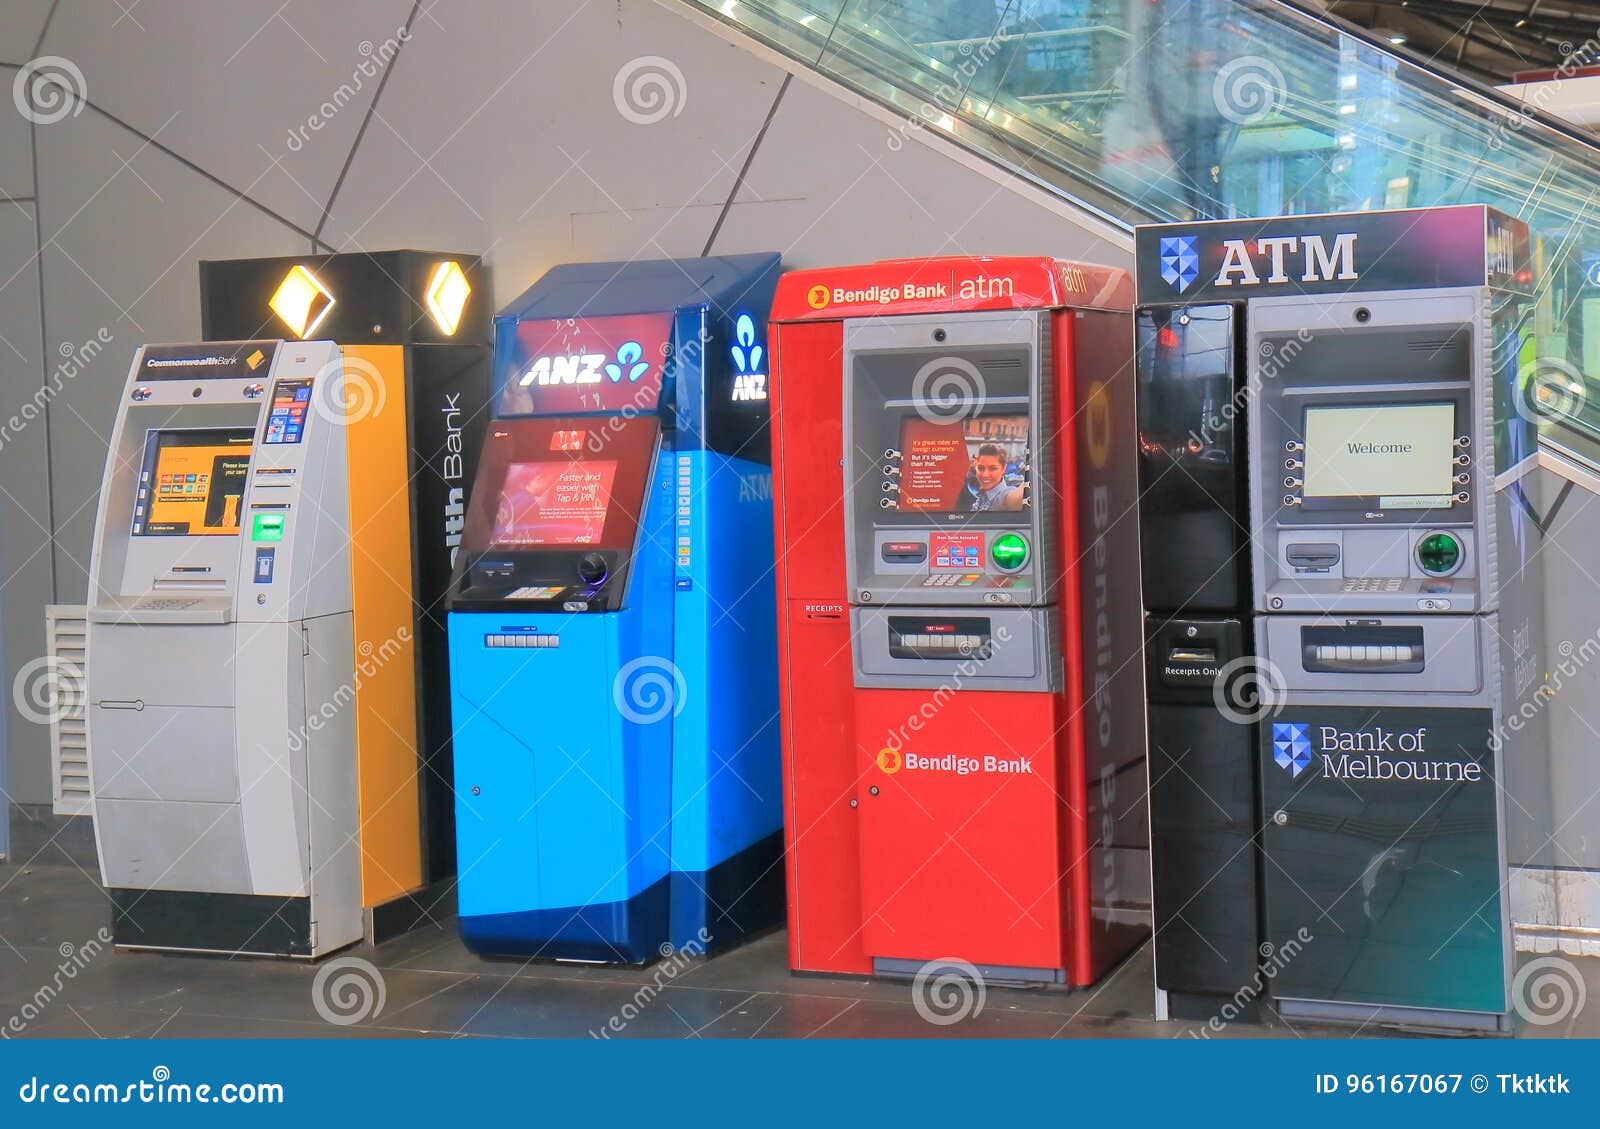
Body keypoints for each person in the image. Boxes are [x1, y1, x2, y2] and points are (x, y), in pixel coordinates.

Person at [963, 443, 1025, 511]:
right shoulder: (981, 499)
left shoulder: (1004, 496)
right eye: (980, 468)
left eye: (993, 468)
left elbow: (1015, 499)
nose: (985, 475)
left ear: (1004, 468)